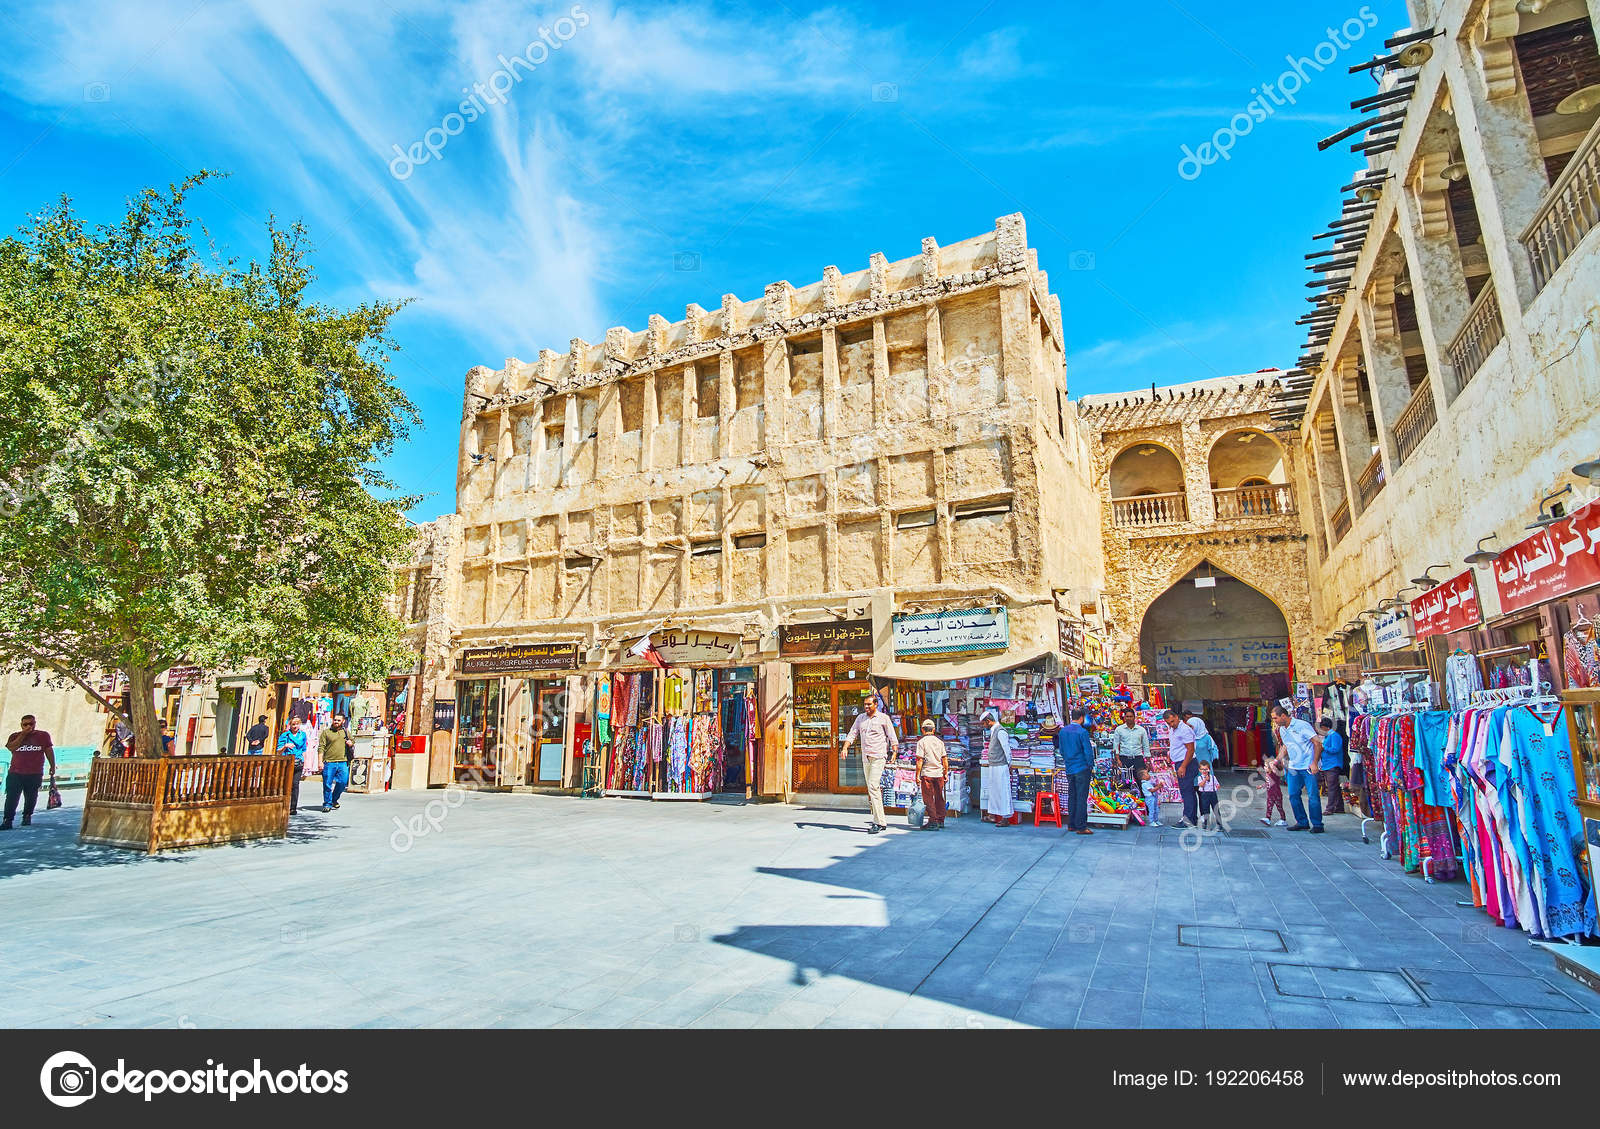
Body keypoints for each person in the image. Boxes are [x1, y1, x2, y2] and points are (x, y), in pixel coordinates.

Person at [841, 692, 899, 834]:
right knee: (872, 788)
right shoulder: (861, 718)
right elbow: (853, 733)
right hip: (865, 757)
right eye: (865, 704)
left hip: (879, 756)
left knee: (873, 786)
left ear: (876, 704)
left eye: (869, 704)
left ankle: (877, 822)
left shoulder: (883, 718)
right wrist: (845, 747)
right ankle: (881, 821)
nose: (866, 707)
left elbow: (892, 735)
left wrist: (894, 752)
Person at [1272, 705, 1324, 833]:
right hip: (1294, 767)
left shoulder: (1302, 725)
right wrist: (1277, 759)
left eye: (1275, 718)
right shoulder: (1282, 729)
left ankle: (1317, 824)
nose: (1274, 721)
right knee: (1293, 795)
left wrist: (1314, 763)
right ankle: (1302, 822)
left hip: (1307, 766)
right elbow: (1286, 746)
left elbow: (1317, 743)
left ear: (1283, 716)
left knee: (1313, 796)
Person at [2, 715, 56, 830]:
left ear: (35, 724)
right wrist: (23, 734)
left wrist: (52, 766)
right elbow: (11, 747)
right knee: (11, 797)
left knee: (31, 796)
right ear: (21, 725)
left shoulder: (43, 735)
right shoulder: (15, 736)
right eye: (25, 724)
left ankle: (27, 816)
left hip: (34, 772)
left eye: (31, 724)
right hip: (16, 772)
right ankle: (8, 820)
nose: (28, 726)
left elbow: (49, 750)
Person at [1056, 707, 1095, 836]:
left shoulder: (1063, 732)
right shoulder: (1082, 732)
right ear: (1082, 718)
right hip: (1082, 767)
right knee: (1081, 797)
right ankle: (1081, 826)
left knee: (1072, 796)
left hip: (1069, 767)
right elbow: (1088, 752)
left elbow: (1061, 750)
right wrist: (1090, 765)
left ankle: (1071, 824)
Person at [1164, 708, 1198, 827]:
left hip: (1187, 763)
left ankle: (1188, 820)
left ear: (1177, 717)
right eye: (1169, 723)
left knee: (1187, 792)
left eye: (1173, 721)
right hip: (1181, 762)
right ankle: (1192, 818)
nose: (1171, 724)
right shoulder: (1173, 729)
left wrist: (1183, 766)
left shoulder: (1184, 730)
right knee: (1188, 792)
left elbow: (1190, 749)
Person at [981, 711, 1015, 827]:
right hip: (995, 766)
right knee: (994, 792)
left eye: (984, 724)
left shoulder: (1000, 731)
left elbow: (1007, 750)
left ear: (988, 721)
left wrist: (1009, 765)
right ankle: (993, 815)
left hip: (1001, 767)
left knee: (1003, 792)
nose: (983, 726)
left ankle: (1005, 818)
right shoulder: (994, 731)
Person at [915, 719, 948, 831]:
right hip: (938, 773)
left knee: (928, 798)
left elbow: (919, 760)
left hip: (927, 774)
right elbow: (944, 759)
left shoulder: (921, 742)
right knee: (939, 797)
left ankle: (933, 821)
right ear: (934, 730)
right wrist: (945, 773)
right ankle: (940, 820)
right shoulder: (940, 742)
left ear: (922, 730)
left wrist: (917, 775)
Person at [320, 713, 355, 812]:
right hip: (329, 762)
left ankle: (334, 799)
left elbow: (353, 740)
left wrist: (350, 743)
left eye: (338, 720)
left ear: (343, 721)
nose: (336, 722)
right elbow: (321, 747)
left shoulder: (346, 732)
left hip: (343, 762)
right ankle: (327, 803)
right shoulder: (326, 732)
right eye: (335, 720)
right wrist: (320, 761)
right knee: (327, 784)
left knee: (343, 782)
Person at [276, 716, 307, 814]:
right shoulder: (285, 735)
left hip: (298, 761)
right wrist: (285, 746)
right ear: (290, 725)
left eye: (297, 724)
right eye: (293, 724)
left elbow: (304, 749)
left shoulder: (303, 735)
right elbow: (278, 751)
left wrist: (304, 762)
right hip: (287, 762)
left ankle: (293, 807)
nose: (295, 726)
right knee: (284, 783)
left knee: (295, 784)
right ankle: (282, 804)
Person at [1317, 719, 1346, 814]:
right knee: (1334, 787)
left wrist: (1324, 748)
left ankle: (1330, 808)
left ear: (1325, 727)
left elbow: (1335, 749)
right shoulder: (1329, 736)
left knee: (1332, 787)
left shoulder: (1334, 736)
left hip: (1333, 764)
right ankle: (1339, 807)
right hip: (1328, 764)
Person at [1111, 709, 1150, 776]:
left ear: (1134, 717)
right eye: (1127, 717)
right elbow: (1116, 745)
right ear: (1124, 718)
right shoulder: (1119, 729)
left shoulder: (1141, 730)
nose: (1129, 718)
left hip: (1138, 759)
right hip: (1124, 759)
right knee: (1126, 782)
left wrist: (1148, 761)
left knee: (1141, 782)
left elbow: (1146, 746)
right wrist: (1118, 760)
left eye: (1131, 716)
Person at [1259, 744, 1288, 827]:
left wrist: (1273, 764)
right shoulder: (1268, 774)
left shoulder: (1274, 774)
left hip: (1275, 793)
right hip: (1272, 794)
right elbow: (1268, 783)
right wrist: (1262, 786)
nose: (1264, 768)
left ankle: (1281, 819)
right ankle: (1269, 818)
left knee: (1277, 807)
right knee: (1271, 806)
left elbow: (1275, 770)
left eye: (1265, 766)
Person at [1196, 760, 1221, 831]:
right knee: (1205, 810)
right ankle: (1206, 824)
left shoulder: (1213, 777)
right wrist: (1205, 780)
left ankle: (1219, 824)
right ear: (1199, 770)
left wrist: (1218, 786)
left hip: (1213, 794)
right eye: (1202, 769)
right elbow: (1200, 785)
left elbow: (1217, 784)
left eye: (1206, 769)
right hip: (1204, 794)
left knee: (1216, 809)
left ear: (1209, 769)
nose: (1204, 771)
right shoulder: (1199, 778)